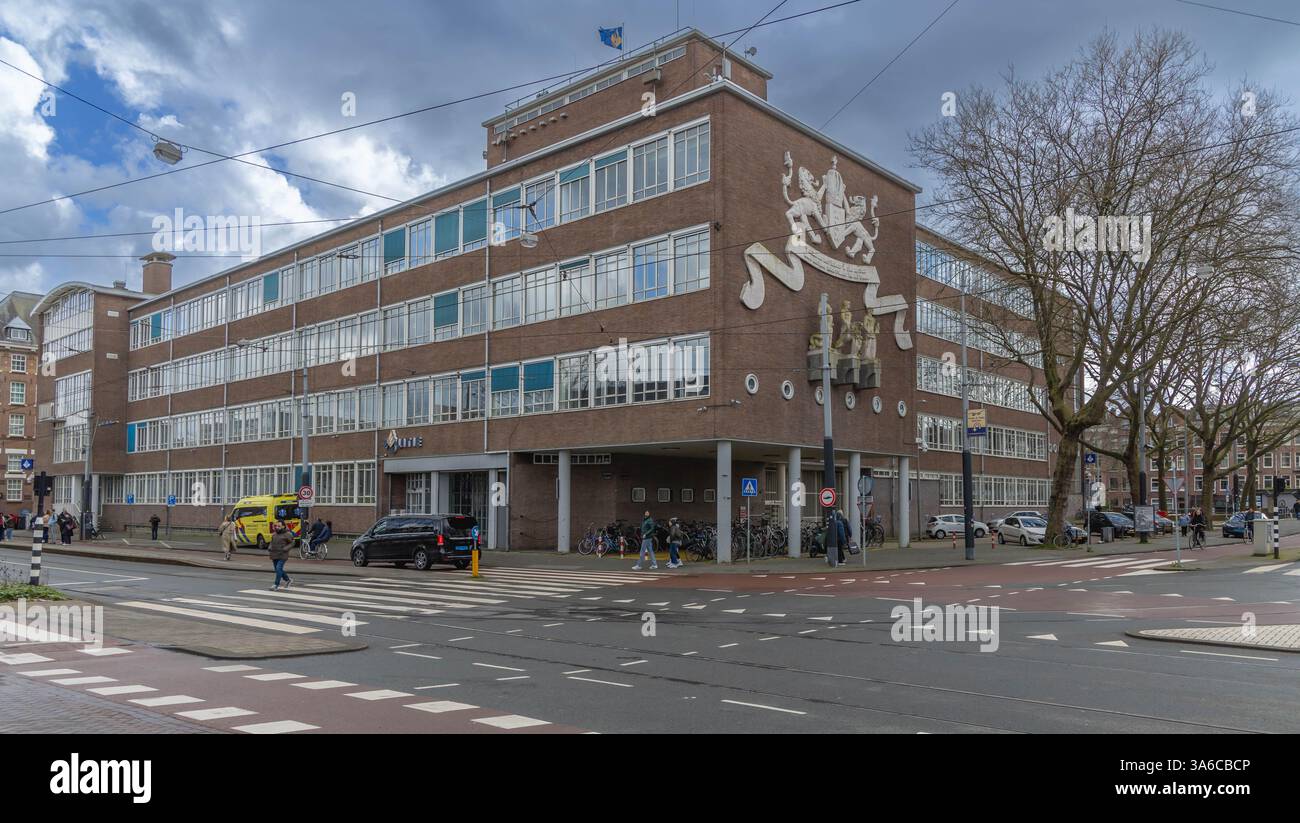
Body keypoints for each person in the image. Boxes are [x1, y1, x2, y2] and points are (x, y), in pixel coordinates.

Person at [268, 520, 294, 590]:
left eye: (279, 526)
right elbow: (271, 542)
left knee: (278, 568)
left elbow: (292, 543)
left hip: (283, 554)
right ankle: (288, 580)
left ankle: (276, 585)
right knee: (278, 570)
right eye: (276, 526)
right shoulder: (274, 534)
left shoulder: (287, 534)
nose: (277, 527)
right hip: (274, 554)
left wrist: (285, 548)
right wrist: (270, 547)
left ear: (283, 526)